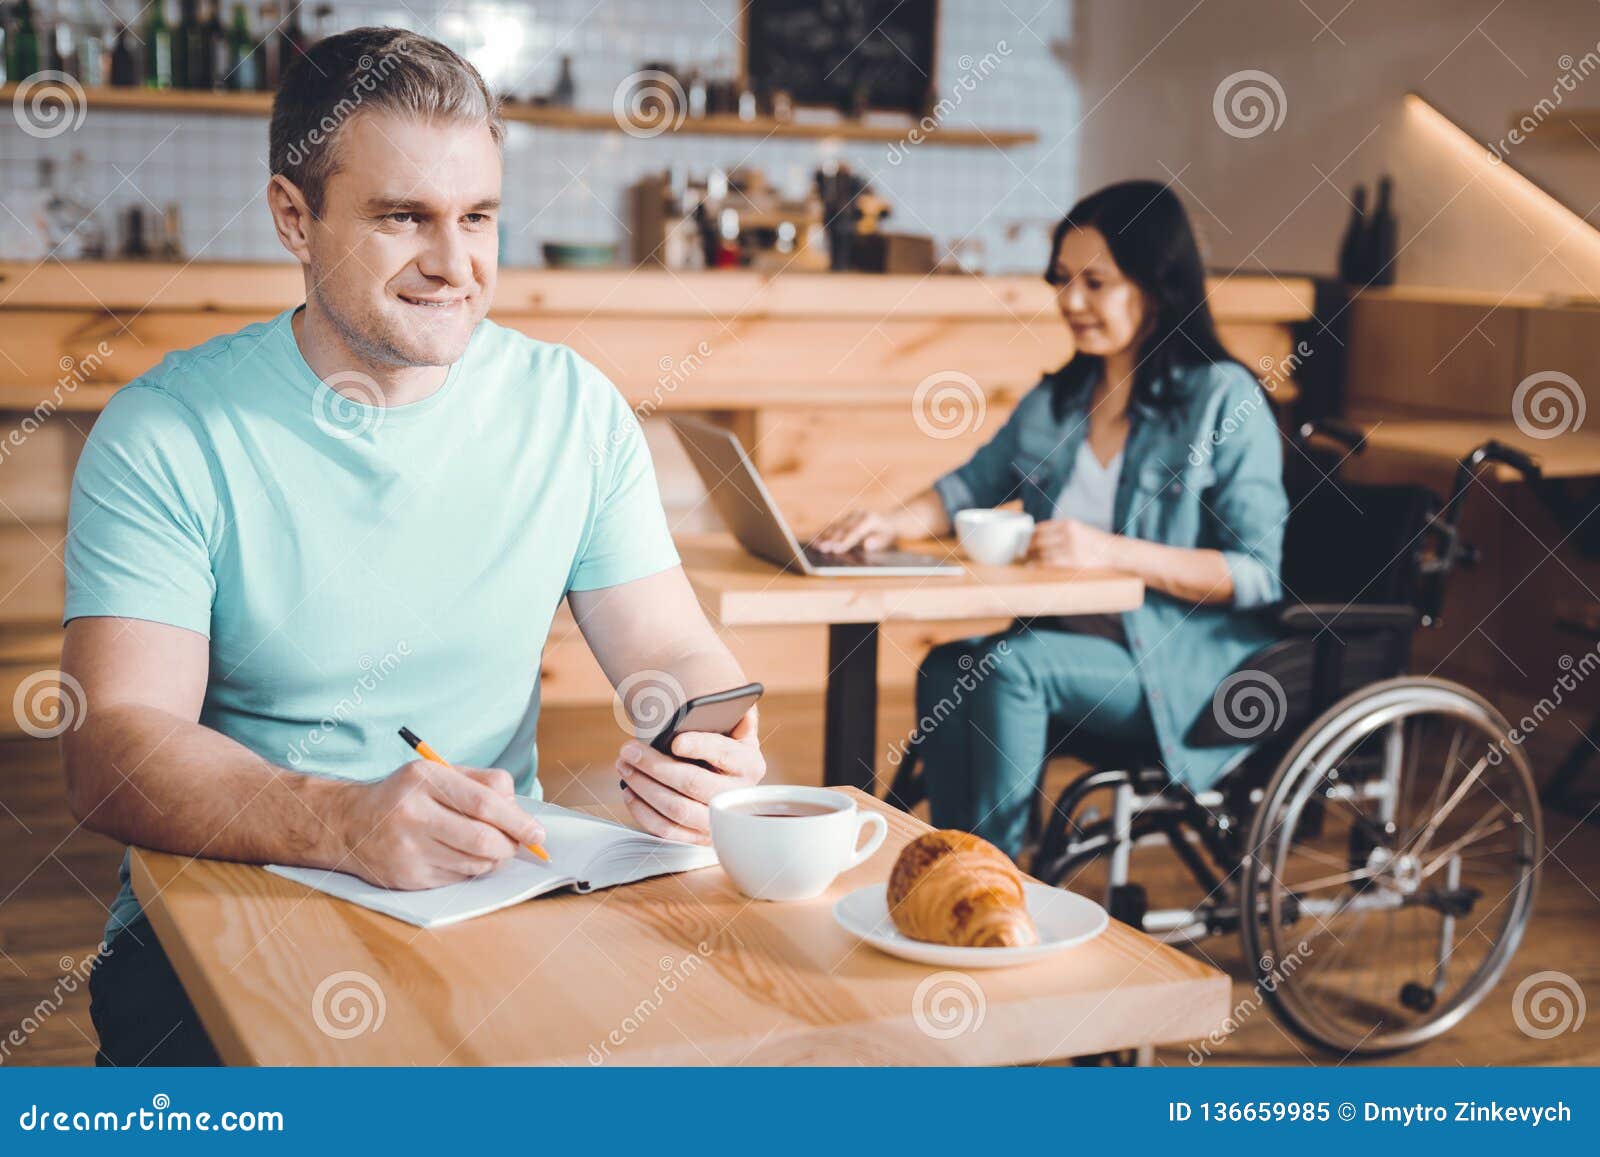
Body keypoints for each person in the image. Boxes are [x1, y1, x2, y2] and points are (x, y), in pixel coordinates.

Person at [62, 28, 765, 1067]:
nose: (454, 264)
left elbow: (667, 642)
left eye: (478, 216)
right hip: (223, 907)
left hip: (494, 893)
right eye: (404, 218)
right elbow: (112, 745)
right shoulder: (168, 430)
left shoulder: (572, 408)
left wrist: (711, 750)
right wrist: (341, 822)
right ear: (293, 218)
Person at [815, 180, 1288, 858]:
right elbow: (965, 487)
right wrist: (887, 522)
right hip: (1070, 644)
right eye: (1063, 280)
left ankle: (1002, 878)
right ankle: (953, 867)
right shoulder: (1058, 399)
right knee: (948, 667)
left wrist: (1110, 550)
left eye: (1096, 282)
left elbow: (1254, 575)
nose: (1070, 301)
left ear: (1155, 284)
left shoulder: (1221, 400)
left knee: (1011, 667)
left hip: (1183, 664)